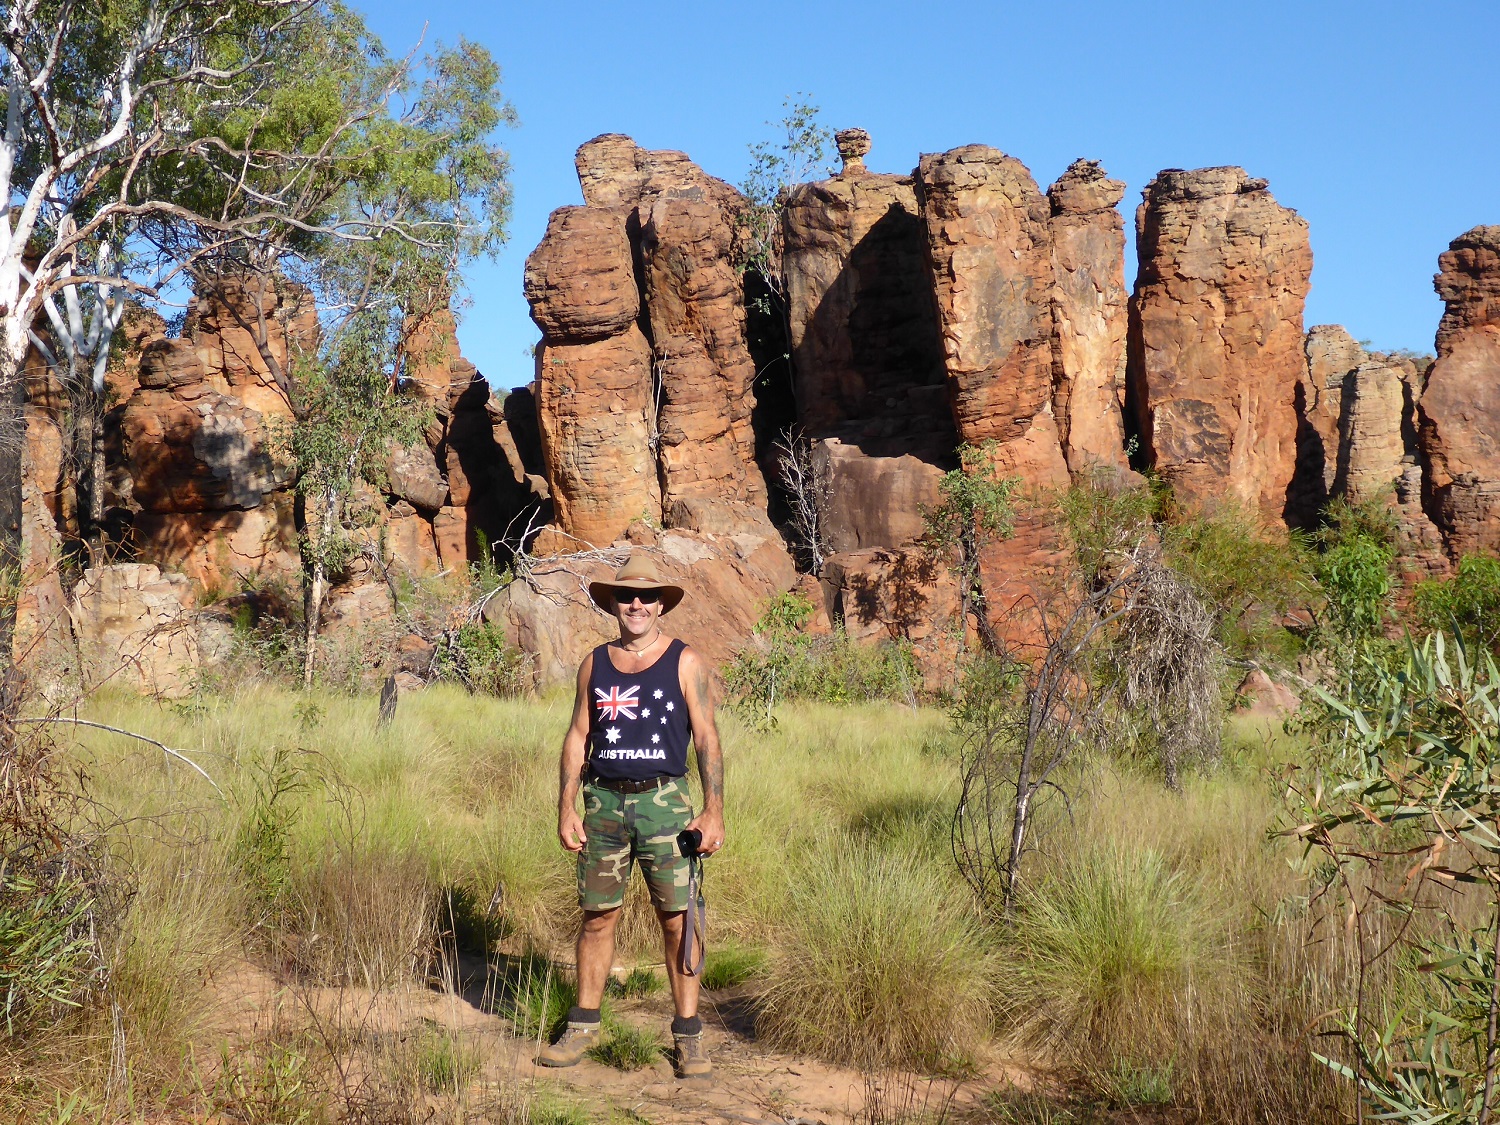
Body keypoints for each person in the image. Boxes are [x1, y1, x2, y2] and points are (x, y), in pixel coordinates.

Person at [537, 554, 725, 1079]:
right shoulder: (595, 664)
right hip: (602, 805)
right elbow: (578, 736)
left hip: (665, 805)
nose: (636, 604)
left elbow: (707, 737)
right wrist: (566, 807)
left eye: (647, 596)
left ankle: (688, 1036)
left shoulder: (685, 662)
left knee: (679, 919)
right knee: (597, 916)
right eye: (626, 596)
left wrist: (713, 810)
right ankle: (584, 1026)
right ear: (614, 604)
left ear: (661, 604)